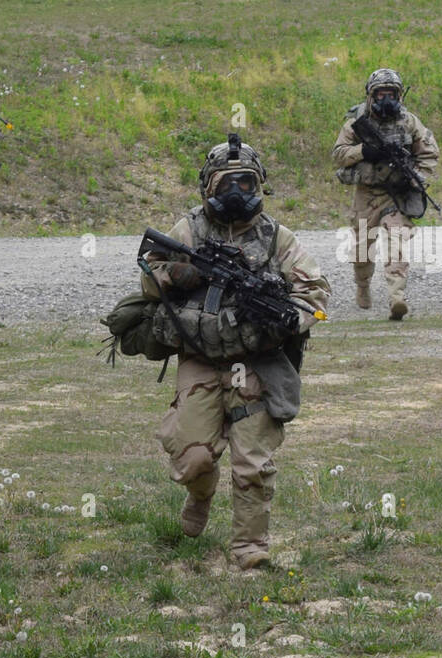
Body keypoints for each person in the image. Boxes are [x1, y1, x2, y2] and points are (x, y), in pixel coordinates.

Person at [140, 134, 330, 570]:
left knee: (252, 464)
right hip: (201, 358)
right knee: (192, 458)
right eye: (226, 184)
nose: (237, 193)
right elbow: (148, 275)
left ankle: (249, 550)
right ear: (208, 187)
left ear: (260, 184)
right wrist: (178, 275)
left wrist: (285, 317)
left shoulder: (278, 239)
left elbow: (316, 300)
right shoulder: (189, 229)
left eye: (246, 183)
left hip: (257, 362)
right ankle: (200, 494)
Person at [332, 68, 439, 320]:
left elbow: (429, 155)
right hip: (366, 193)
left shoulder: (409, 122)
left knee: (396, 244)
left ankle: (397, 298)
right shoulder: (356, 123)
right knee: (361, 249)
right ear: (371, 96)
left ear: (400, 96)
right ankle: (362, 286)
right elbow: (338, 154)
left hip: (396, 194)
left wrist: (414, 178)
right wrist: (364, 152)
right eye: (381, 94)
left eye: (391, 94)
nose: (386, 100)